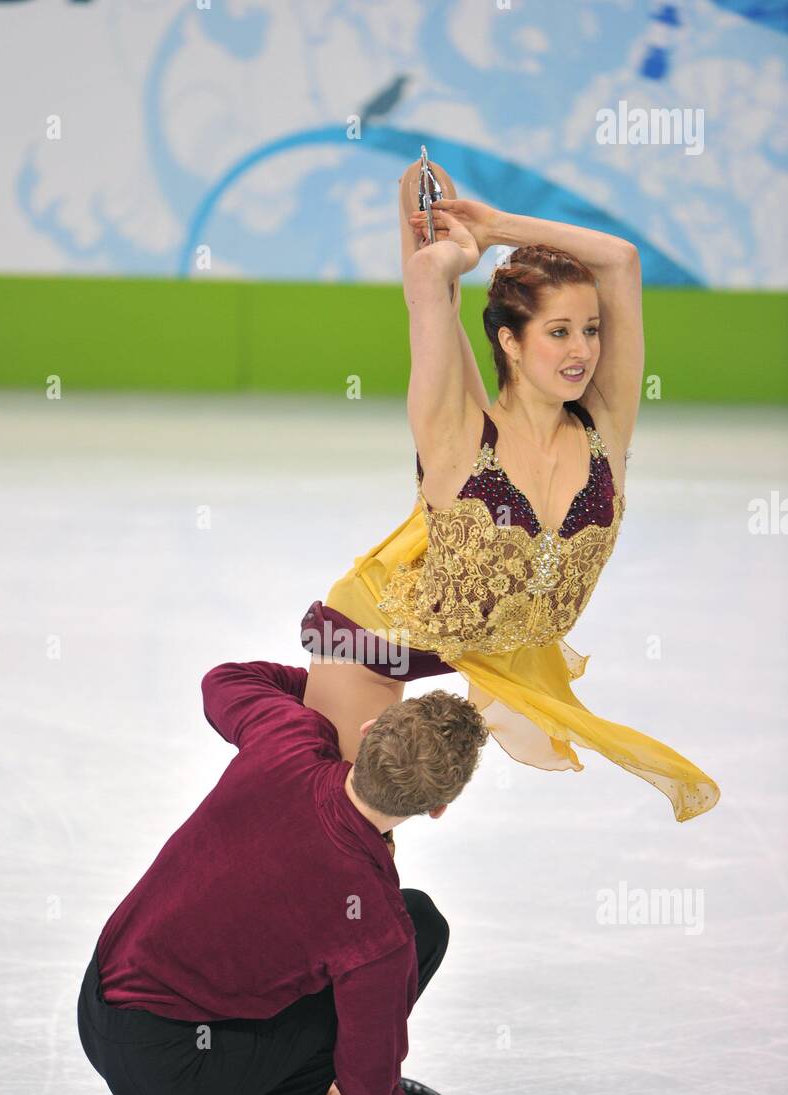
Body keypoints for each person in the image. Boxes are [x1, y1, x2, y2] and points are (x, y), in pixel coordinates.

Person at [300, 158, 720, 837]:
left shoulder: (603, 428)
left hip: (502, 645)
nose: (582, 348)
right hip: (384, 630)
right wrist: (447, 257)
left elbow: (620, 258)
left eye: (590, 329)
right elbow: (425, 297)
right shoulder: (458, 436)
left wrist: (497, 227)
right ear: (509, 340)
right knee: (355, 817)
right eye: (558, 332)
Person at [77, 658, 488, 1095]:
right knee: (402, 947)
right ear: (440, 807)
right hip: (174, 1071)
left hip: (98, 1004)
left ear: (368, 733)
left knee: (412, 924)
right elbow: (370, 1053)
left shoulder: (287, 736)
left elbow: (225, 681)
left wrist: (324, 691)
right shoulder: (374, 922)